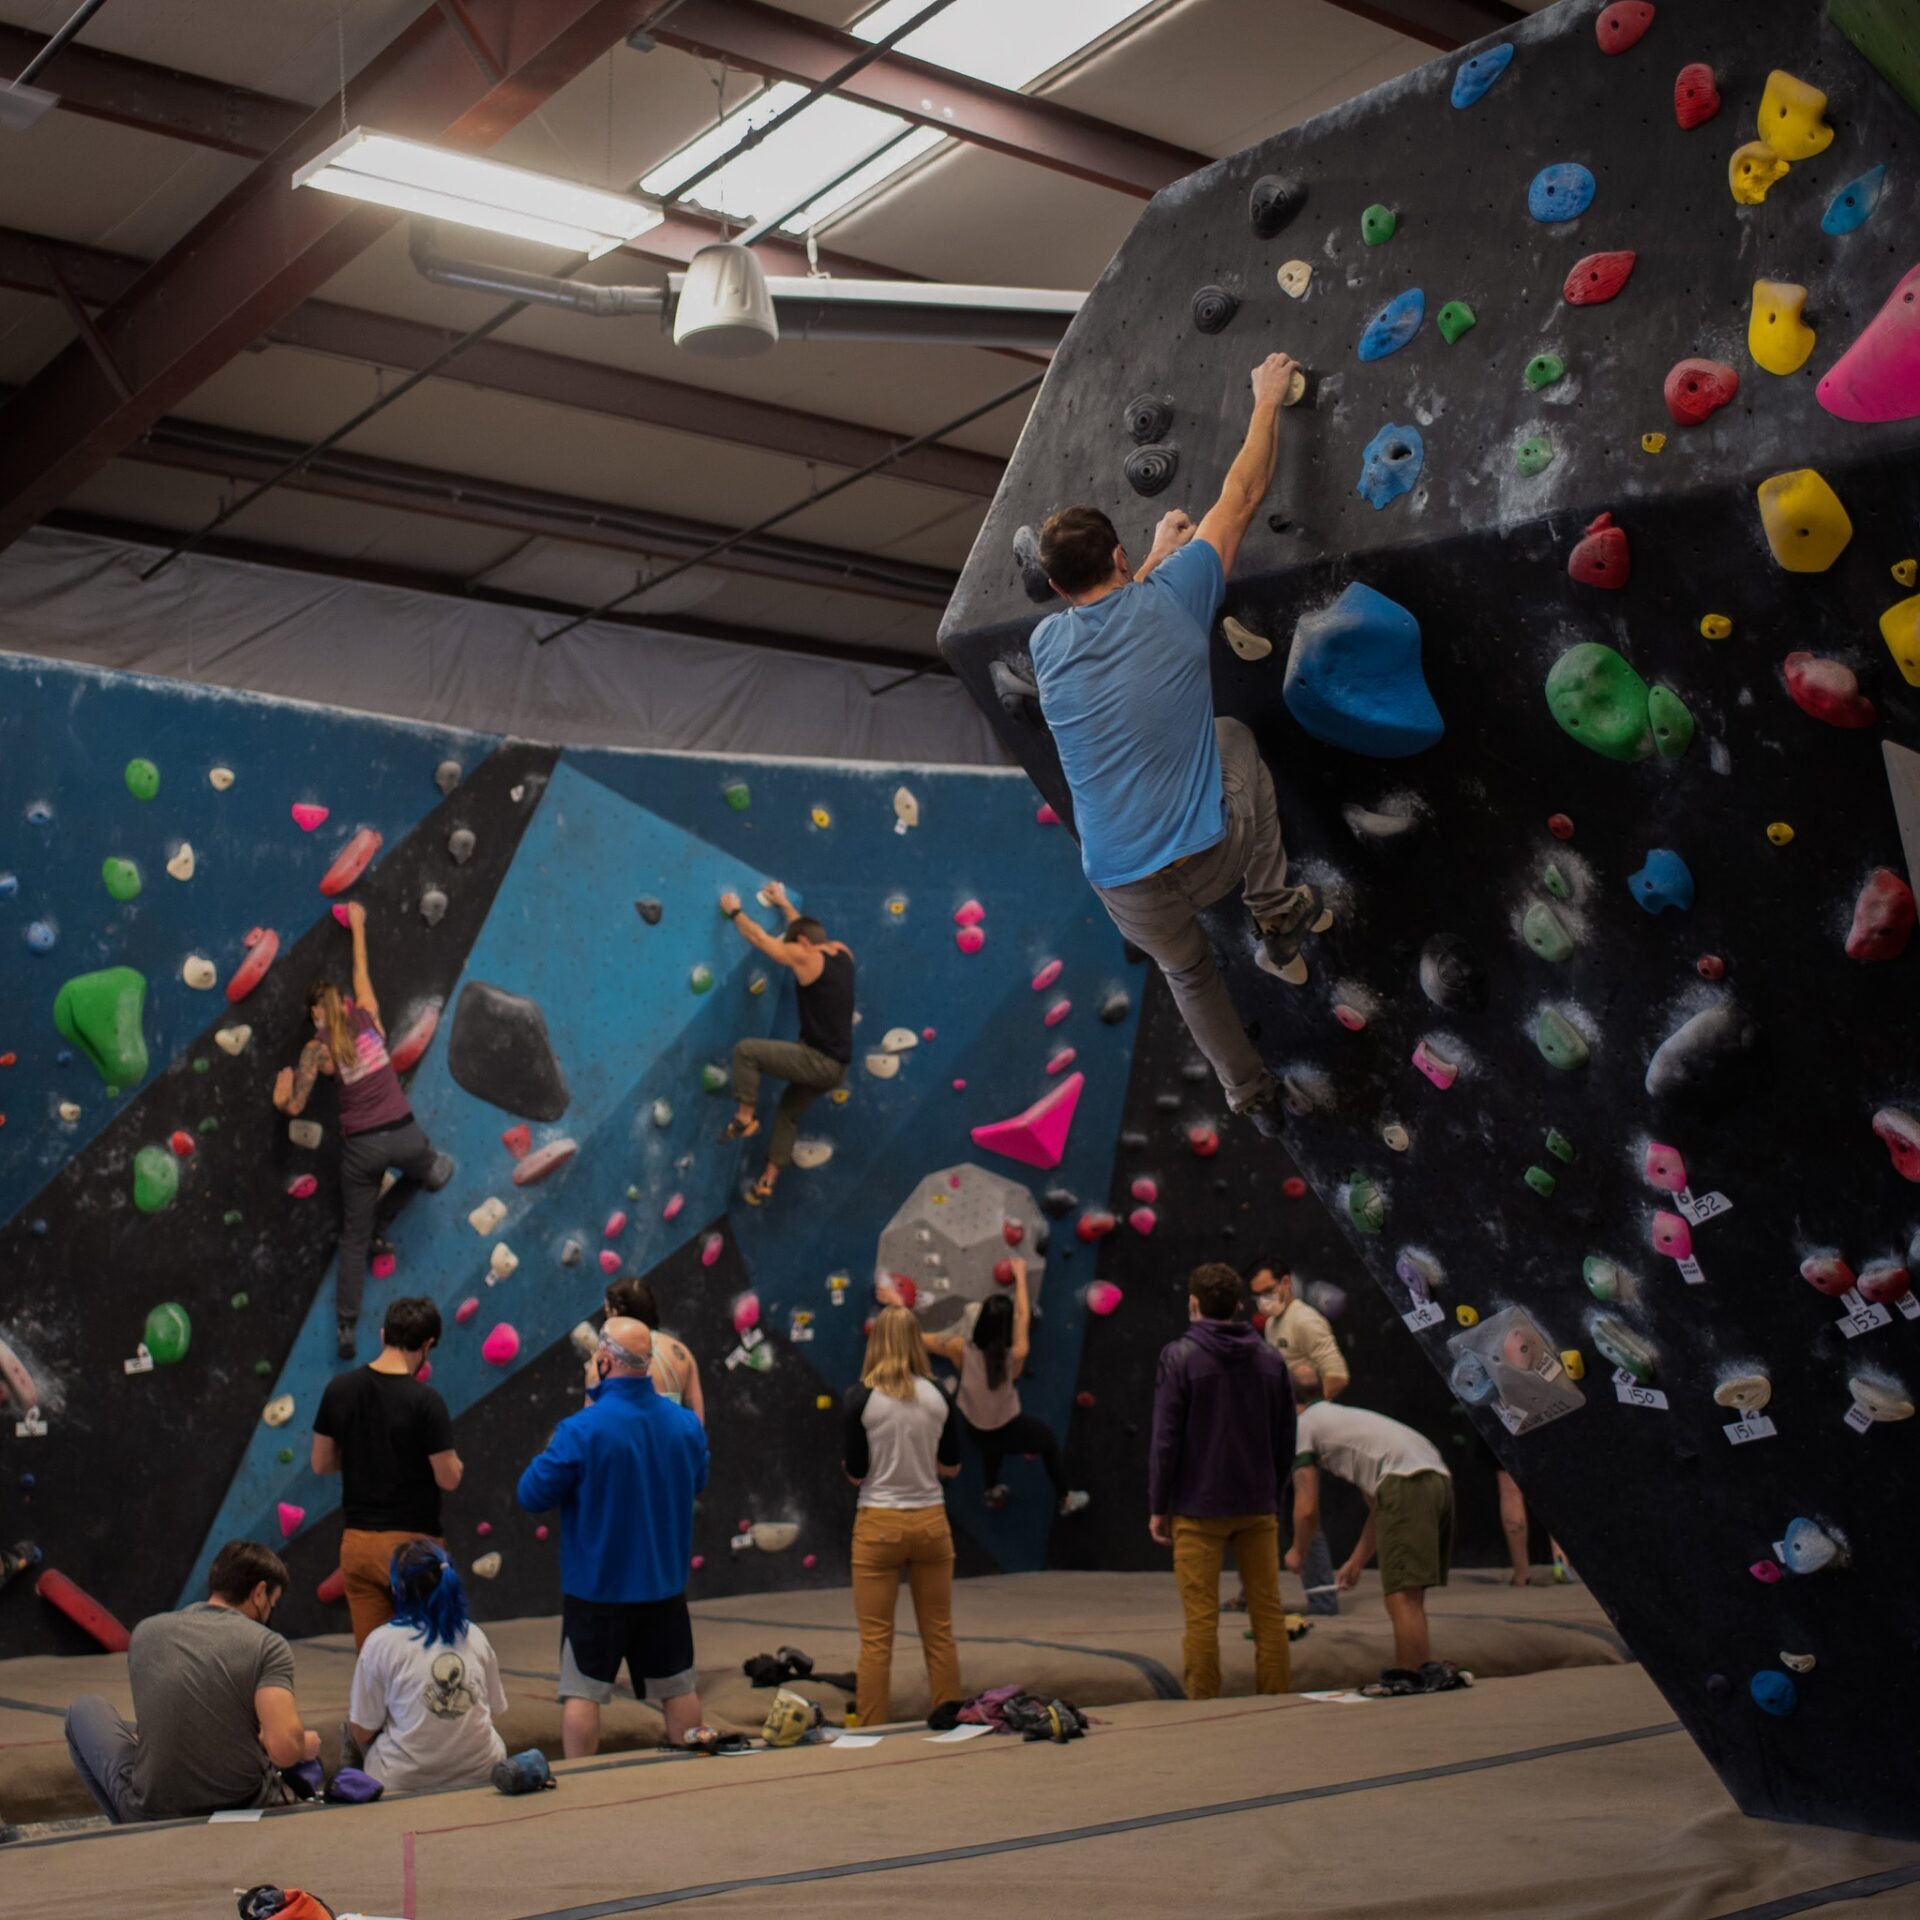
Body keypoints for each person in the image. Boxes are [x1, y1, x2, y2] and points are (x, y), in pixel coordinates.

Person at [1029, 353, 1328, 1136]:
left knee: (1190, 976)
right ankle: (1275, 913)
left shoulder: (1048, 647)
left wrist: (1159, 550)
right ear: (1122, 559)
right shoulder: (1173, 595)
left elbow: (1118, 609)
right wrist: (1265, 400)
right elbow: (1243, 492)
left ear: (1057, 591)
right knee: (1233, 736)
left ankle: (1250, 1095)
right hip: (1211, 851)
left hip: (1123, 886)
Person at [517, 1317, 709, 1758]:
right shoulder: (685, 1425)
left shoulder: (581, 1430)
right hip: (663, 1586)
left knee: (582, 1693)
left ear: (603, 1359)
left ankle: (583, 1788)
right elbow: (696, 1481)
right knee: (679, 1687)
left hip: (596, 1592)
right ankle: (698, 1776)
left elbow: (531, 1493)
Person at [274, 902, 454, 1358]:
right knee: (430, 1170)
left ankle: (347, 1328)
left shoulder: (318, 1051)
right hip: (404, 1135)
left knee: (351, 1239)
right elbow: (361, 968)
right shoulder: (367, 1016)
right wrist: (357, 924)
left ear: (317, 1013)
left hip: (360, 1150)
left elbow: (294, 1106)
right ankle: (388, 1216)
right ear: (343, 1004)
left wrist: (281, 1094)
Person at [64, 1541, 318, 1823]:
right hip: (243, 1803)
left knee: (84, 1709)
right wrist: (304, 1745)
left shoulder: (146, 1632)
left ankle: (130, 1828)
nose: (270, 1612)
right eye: (273, 1603)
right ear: (259, 1593)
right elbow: (283, 1749)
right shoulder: (268, 1644)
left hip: (152, 1808)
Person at [1147, 1263, 1296, 1700]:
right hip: (1257, 1505)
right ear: (1237, 1306)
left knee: (1201, 1618)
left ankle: (1204, 1709)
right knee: (1268, 1613)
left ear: (1193, 1304)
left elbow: (1165, 1439)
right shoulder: (1270, 1359)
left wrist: (1159, 1503)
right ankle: (1276, 1701)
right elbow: (1287, 1437)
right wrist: (1272, 1491)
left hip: (1197, 1507)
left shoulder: (1179, 1357)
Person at [1287, 1362, 1458, 1685]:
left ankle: (1409, 1676)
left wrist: (1297, 1551)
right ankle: (1420, 1669)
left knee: (1400, 1595)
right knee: (1410, 1591)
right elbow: (1381, 1508)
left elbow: (1307, 1507)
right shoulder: (1340, 1418)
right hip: (1436, 1479)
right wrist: (1355, 1562)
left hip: (1406, 1482)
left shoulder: (1303, 1426)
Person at [312, 1296, 463, 1650]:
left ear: (383, 1335)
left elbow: (321, 1463)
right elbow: (449, 1478)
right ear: (427, 1346)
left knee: (374, 1660)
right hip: (413, 1548)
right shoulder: (427, 1402)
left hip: (358, 1544)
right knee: (427, 1653)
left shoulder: (339, 1390)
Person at [843, 1305, 964, 1725]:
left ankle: (872, 1727)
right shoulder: (939, 1395)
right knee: (939, 1634)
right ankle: (950, 1720)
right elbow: (952, 1465)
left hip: (878, 1523)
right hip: (931, 1521)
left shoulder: (860, 1398)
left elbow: (856, 1474)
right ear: (917, 1340)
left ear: (876, 1341)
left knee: (876, 1641)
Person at [716, 880, 855, 1207]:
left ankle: (745, 1118)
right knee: (787, 1114)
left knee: (746, 1051)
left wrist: (734, 910)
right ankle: (766, 1182)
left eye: (795, 946)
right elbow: (804, 931)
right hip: (837, 1068)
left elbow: (761, 940)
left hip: (817, 1059)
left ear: (802, 944)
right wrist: (782, 903)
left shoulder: (805, 958)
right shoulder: (843, 953)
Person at [917, 1260, 1088, 1517]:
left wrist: (894, 1307)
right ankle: (1065, 1498)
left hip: (974, 1428)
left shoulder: (958, 1349)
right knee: (1049, 1442)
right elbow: (1022, 1315)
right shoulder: (1016, 1356)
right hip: (1005, 1428)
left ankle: (991, 1491)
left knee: (991, 1450)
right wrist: (1020, 1276)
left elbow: (922, 1339)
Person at [346, 1540, 508, 1793]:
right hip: (481, 1769)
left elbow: (362, 1731)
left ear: (399, 1588)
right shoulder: (474, 1636)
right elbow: (495, 1708)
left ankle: (351, 1796)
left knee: (352, 1725)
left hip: (403, 1779)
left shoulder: (381, 1642)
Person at [1248, 1260, 1347, 1615]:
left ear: (1286, 1282)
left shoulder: (1306, 1320)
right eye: (1256, 1295)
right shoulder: (1275, 1322)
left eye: (1267, 1291)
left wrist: (1309, 1411)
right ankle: (1255, 1594)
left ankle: (1322, 1598)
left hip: (1299, 1431)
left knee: (1302, 1512)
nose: (1263, 1300)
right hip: (1278, 1428)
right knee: (1262, 1512)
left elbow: (1337, 1376)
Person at [601, 1275, 705, 1422]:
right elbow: (698, 1421)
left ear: (616, 1315)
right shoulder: (681, 1351)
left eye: (607, 1313)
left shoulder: (618, 1365)